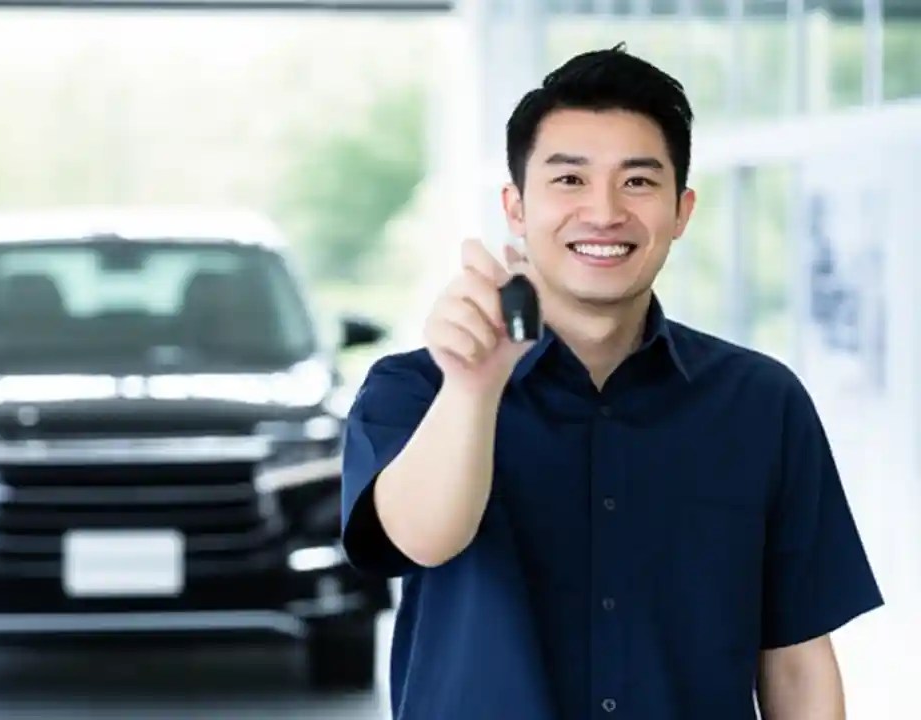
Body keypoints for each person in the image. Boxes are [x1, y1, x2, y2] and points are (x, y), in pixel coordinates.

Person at [340, 45, 883, 719]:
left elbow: (797, 662)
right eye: (569, 179)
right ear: (516, 207)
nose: (603, 212)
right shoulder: (414, 389)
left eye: (638, 182)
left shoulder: (762, 403)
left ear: (682, 210)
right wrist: (473, 389)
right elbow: (421, 538)